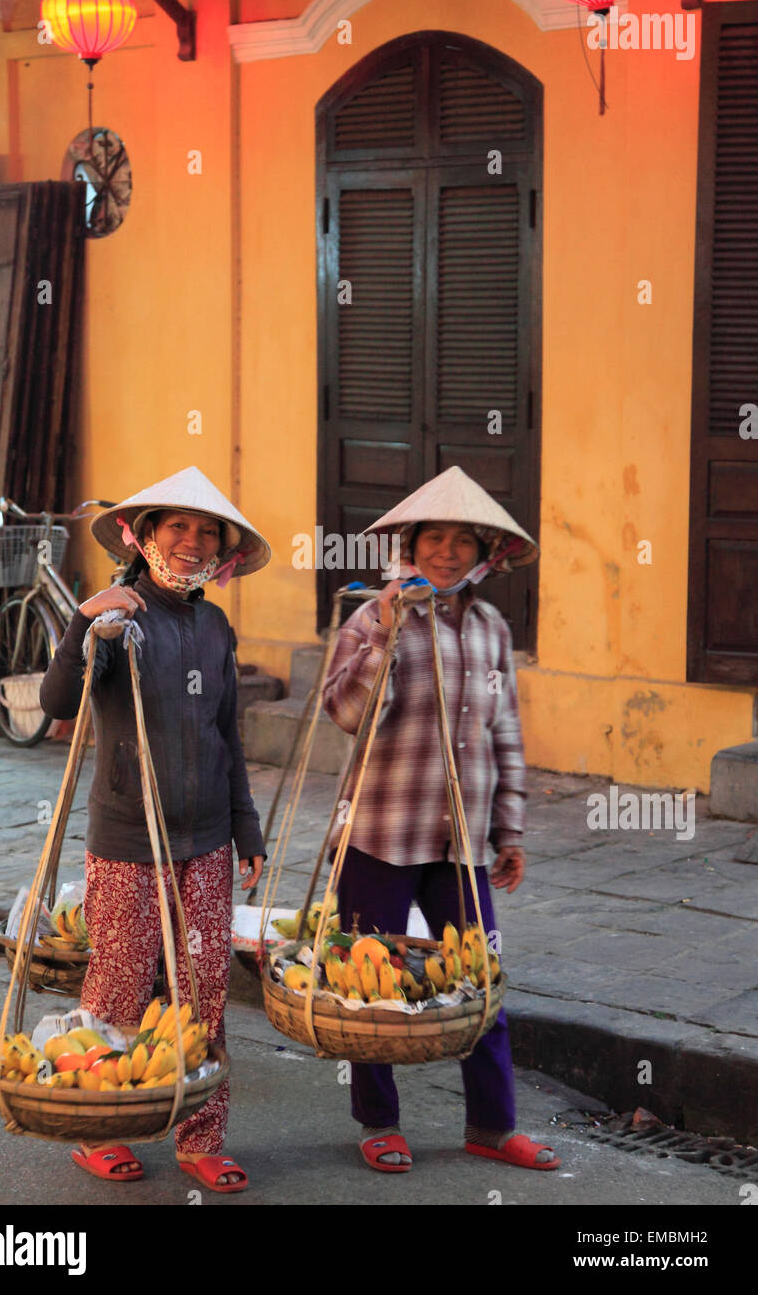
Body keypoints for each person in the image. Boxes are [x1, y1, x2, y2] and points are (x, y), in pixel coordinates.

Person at [321, 465, 561, 1174]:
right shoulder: (371, 613)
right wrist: (388, 633)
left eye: (463, 541)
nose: (447, 552)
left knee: (477, 983)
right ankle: (377, 1121)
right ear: (410, 543)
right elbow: (344, 714)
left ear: (486, 552)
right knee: (369, 987)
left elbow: (504, 732)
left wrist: (508, 831)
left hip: (460, 838)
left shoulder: (489, 628)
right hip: (378, 831)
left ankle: (491, 1125)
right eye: (435, 537)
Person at [40, 466, 269, 1192]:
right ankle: (94, 1126)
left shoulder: (212, 623)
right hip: (126, 842)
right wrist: (85, 619)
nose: (194, 543)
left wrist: (246, 831)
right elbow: (54, 700)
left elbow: (225, 733)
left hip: (202, 844)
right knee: (116, 994)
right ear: (141, 537)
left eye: (208, 534)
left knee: (202, 997)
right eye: (179, 528)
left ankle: (199, 1136)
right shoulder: (117, 618)